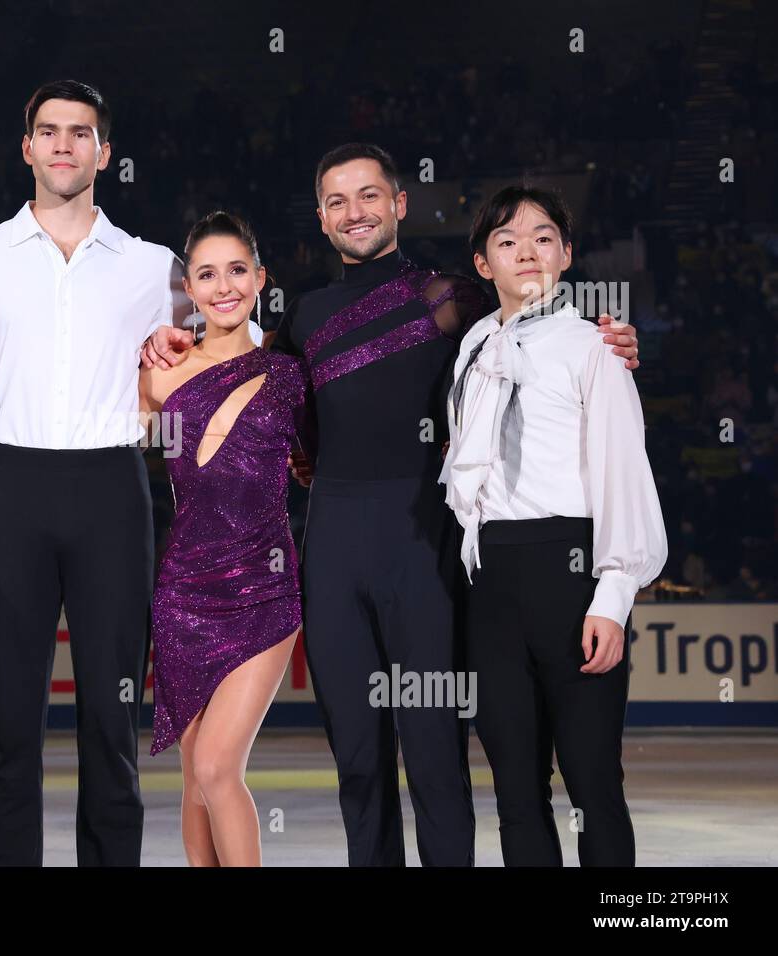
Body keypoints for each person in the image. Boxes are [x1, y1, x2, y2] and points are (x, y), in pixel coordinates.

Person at [142, 143, 641, 866]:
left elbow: (531, 309)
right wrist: (173, 335)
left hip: (426, 552)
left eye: (370, 195)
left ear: (399, 204)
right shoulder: (306, 320)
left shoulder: (450, 298)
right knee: (359, 764)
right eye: (338, 201)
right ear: (321, 218)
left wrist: (607, 336)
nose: (356, 211)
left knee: (437, 759)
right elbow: (238, 375)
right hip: (333, 554)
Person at [0, 80, 190, 866]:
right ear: (28, 147)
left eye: (81, 133)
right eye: (49, 131)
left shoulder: (156, 267)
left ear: (105, 153)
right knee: (9, 714)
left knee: (113, 719)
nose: (64, 145)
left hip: (114, 487)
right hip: (12, 485)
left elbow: (228, 343)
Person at [442, 185, 666, 866]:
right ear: (484, 263)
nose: (527, 252)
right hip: (491, 581)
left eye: (543, 238)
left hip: (571, 571)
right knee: (515, 790)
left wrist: (613, 595)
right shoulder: (475, 347)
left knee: (593, 782)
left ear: (567, 253)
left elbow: (623, 473)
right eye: (507, 242)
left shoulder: (594, 347)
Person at [141, 211, 310, 866]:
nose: (223, 286)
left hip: (265, 592)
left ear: (260, 278)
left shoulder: (291, 376)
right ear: (189, 287)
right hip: (184, 594)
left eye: (237, 270)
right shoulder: (156, 374)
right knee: (193, 781)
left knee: (215, 766)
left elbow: (335, 452)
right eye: (207, 274)